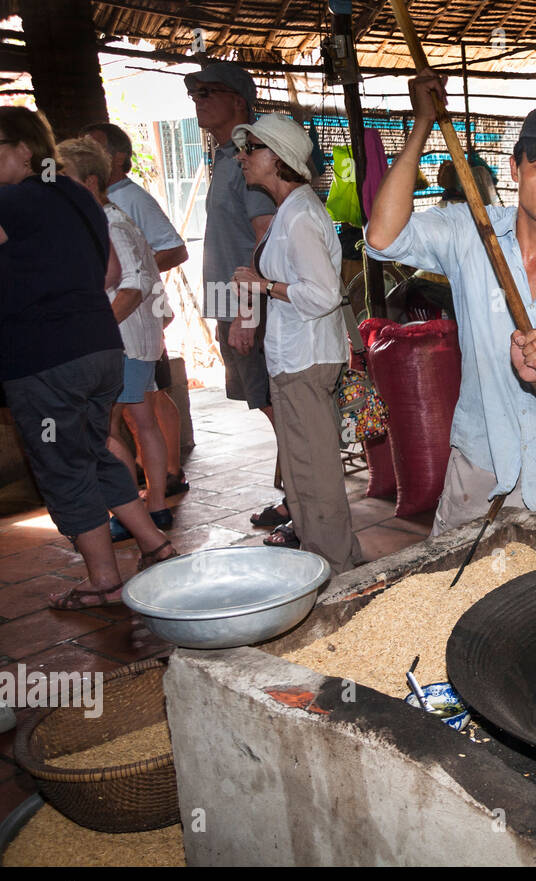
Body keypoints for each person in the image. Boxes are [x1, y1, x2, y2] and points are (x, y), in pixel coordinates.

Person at [366, 71, 536, 536]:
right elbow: (383, 238)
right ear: (515, 169)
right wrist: (424, 123)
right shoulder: (472, 233)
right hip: (479, 469)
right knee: (454, 599)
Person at [0, 107, 176, 610]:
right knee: (93, 450)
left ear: (22, 148)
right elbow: (107, 274)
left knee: (62, 466)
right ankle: (155, 545)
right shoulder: (76, 196)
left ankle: (105, 580)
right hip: (99, 350)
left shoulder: (11, 202)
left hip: (44, 358)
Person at [230, 115, 361, 574]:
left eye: (252, 149)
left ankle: (337, 569)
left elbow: (323, 293)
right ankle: (322, 559)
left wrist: (265, 287)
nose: (242, 158)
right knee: (302, 468)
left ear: (278, 158)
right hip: (294, 358)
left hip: (306, 358)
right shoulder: (292, 211)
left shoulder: (301, 215)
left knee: (314, 469)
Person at [184, 63, 286, 528]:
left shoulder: (251, 157)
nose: (198, 99)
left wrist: (247, 312)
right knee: (269, 404)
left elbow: (265, 236)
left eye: (208, 91)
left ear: (239, 102)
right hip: (233, 302)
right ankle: (294, 499)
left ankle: (299, 502)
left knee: (275, 404)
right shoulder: (227, 157)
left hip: (249, 304)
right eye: (195, 93)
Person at [56, 137, 173, 541]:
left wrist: (96, 330)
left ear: (89, 182)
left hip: (121, 341)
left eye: (63, 176)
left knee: (106, 430)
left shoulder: (109, 222)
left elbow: (134, 285)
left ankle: (132, 511)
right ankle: (154, 506)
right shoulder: (107, 219)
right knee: (141, 422)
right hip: (133, 340)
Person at [82, 121, 190, 496]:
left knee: (146, 401)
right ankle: (156, 486)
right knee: (141, 406)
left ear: (118, 158)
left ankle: (166, 476)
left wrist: (136, 272)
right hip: (134, 319)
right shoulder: (103, 207)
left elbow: (176, 249)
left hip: (134, 320)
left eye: (92, 149)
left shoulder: (128, 202)